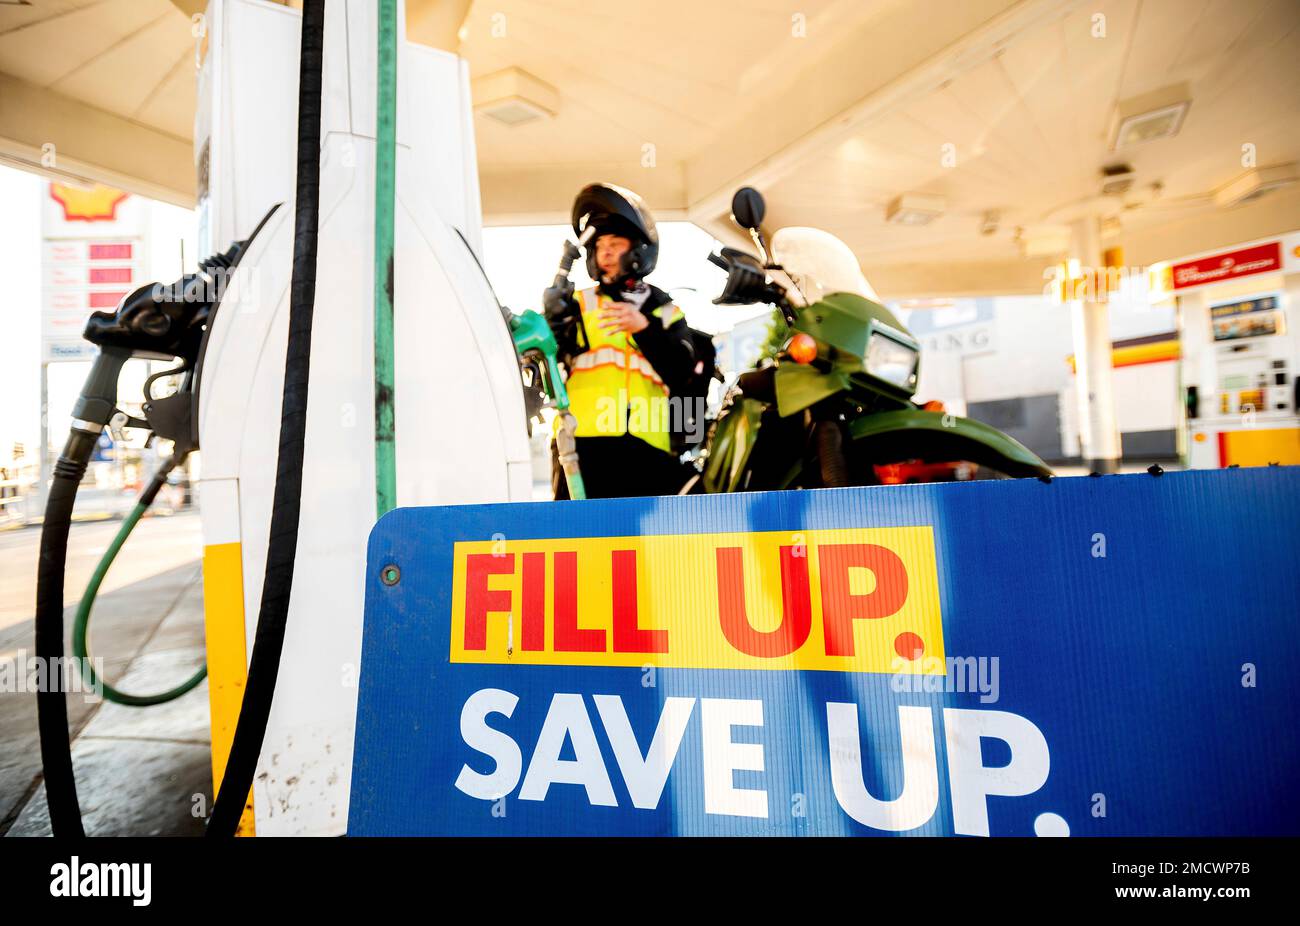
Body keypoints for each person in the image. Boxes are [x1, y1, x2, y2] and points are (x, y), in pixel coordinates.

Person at [543, 183, 696, 499]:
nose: (606, 252)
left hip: (646, 452)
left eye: (615, 243)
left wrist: (644, 328)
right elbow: (549, 362)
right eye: (599, 245)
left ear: (639, 248)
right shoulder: (577, 305)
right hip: (582, 449)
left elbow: (682, 372)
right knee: (577, 531)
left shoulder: (666, 311)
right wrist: (553, 320)